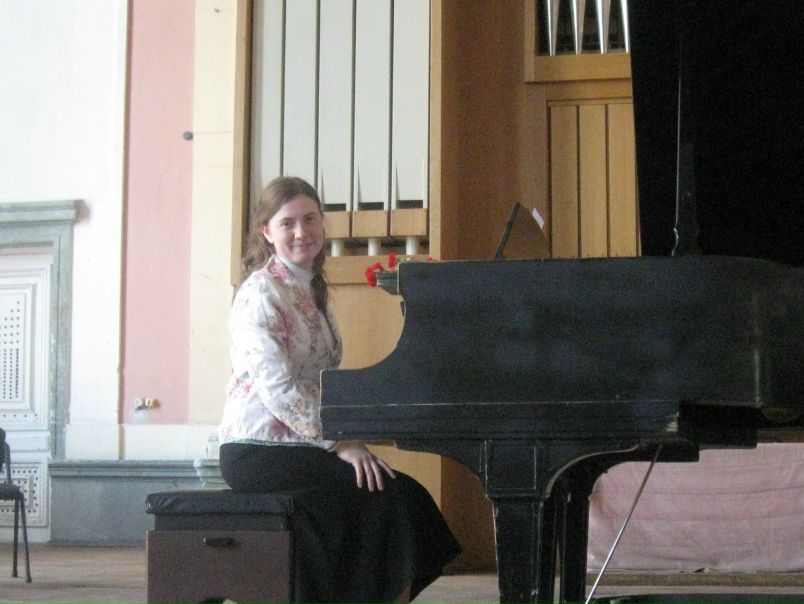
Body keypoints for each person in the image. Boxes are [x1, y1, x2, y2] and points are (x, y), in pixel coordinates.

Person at [217, 176, 461, 604]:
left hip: (300, 444)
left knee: (398, 497)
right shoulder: (261, 292)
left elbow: (324, 381)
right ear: (267, 231)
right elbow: (279, 389)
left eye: (310, 219)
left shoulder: (311, 289)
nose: (302, 232)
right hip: (257, 450)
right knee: (394, 496)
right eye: (288, 223)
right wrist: (340, 443)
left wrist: (352, 433)